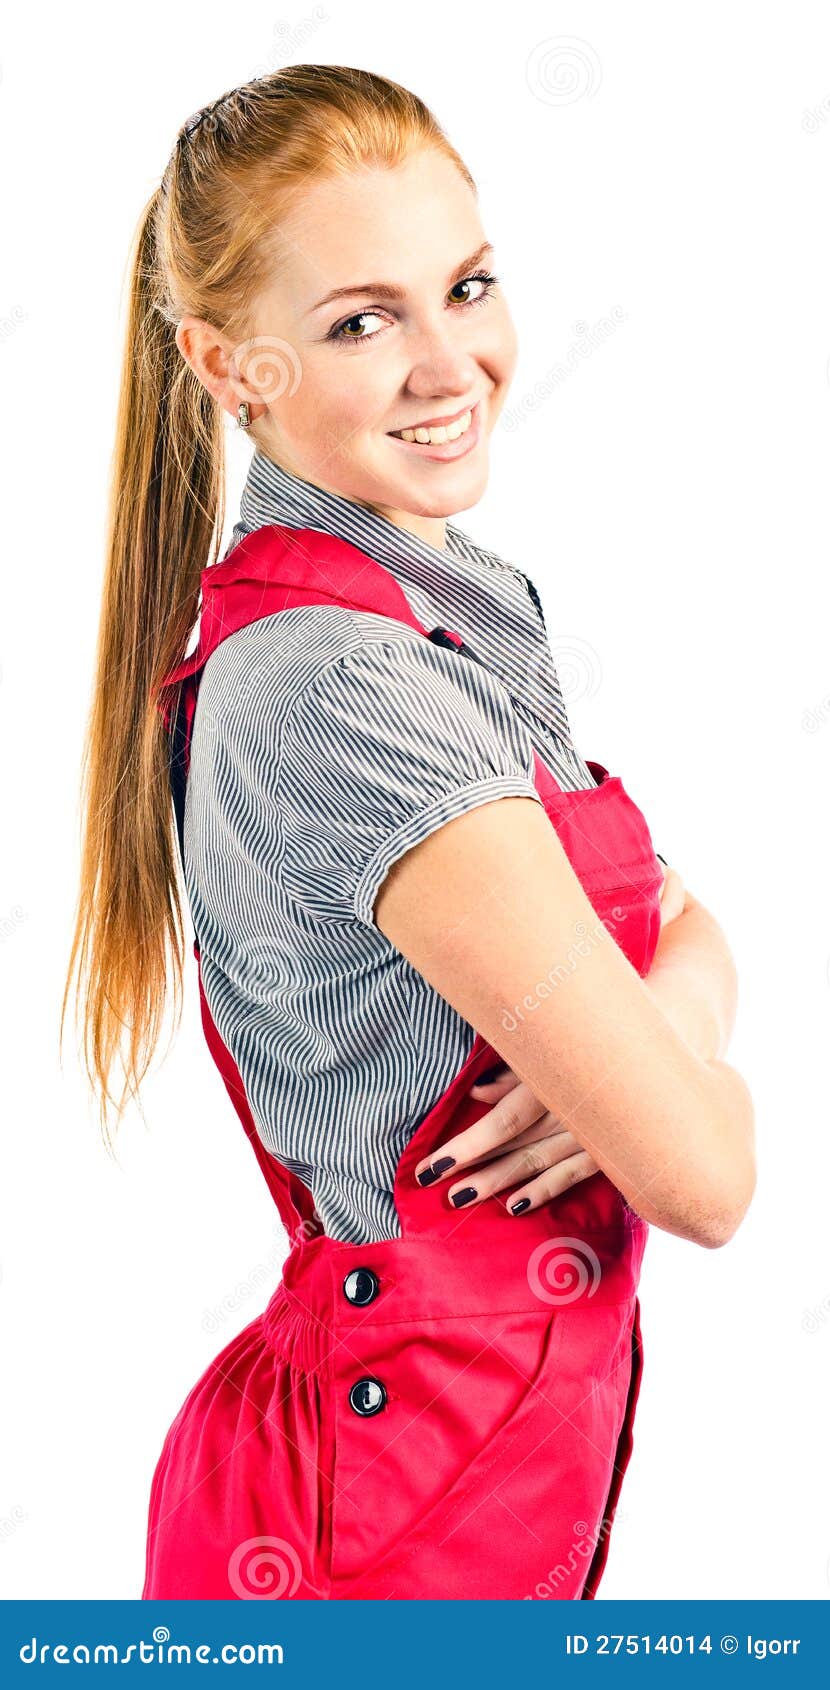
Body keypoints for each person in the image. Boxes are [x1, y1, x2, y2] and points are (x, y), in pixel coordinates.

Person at [62, 63, 756, 1601]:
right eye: (361, 320)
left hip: (465, 1470)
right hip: (364, 1519)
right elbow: (703, 1175)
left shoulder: (443, 616)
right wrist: (682, 1085)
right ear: (230, 365)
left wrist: (653, 1021)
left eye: (466, 286)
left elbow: (691, 924)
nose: (449, 363)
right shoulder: (342, 687)